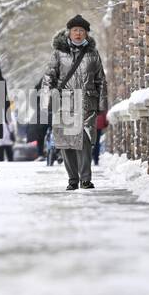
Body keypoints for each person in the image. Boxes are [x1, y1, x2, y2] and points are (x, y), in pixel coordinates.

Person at [42, 14, 107, 190]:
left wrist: (102, 105)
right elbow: (49, 76)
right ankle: (72, 179)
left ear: (86, 33)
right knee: (67, 143)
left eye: (82, 30)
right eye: (75, 30)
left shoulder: (93, 54)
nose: (78, 33)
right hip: (64, 102)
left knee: (85, 141)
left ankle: (85, 179)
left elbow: (101, 80)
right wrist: (48, 100)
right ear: (69, 32)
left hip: (87, 103)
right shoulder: (58, 53)